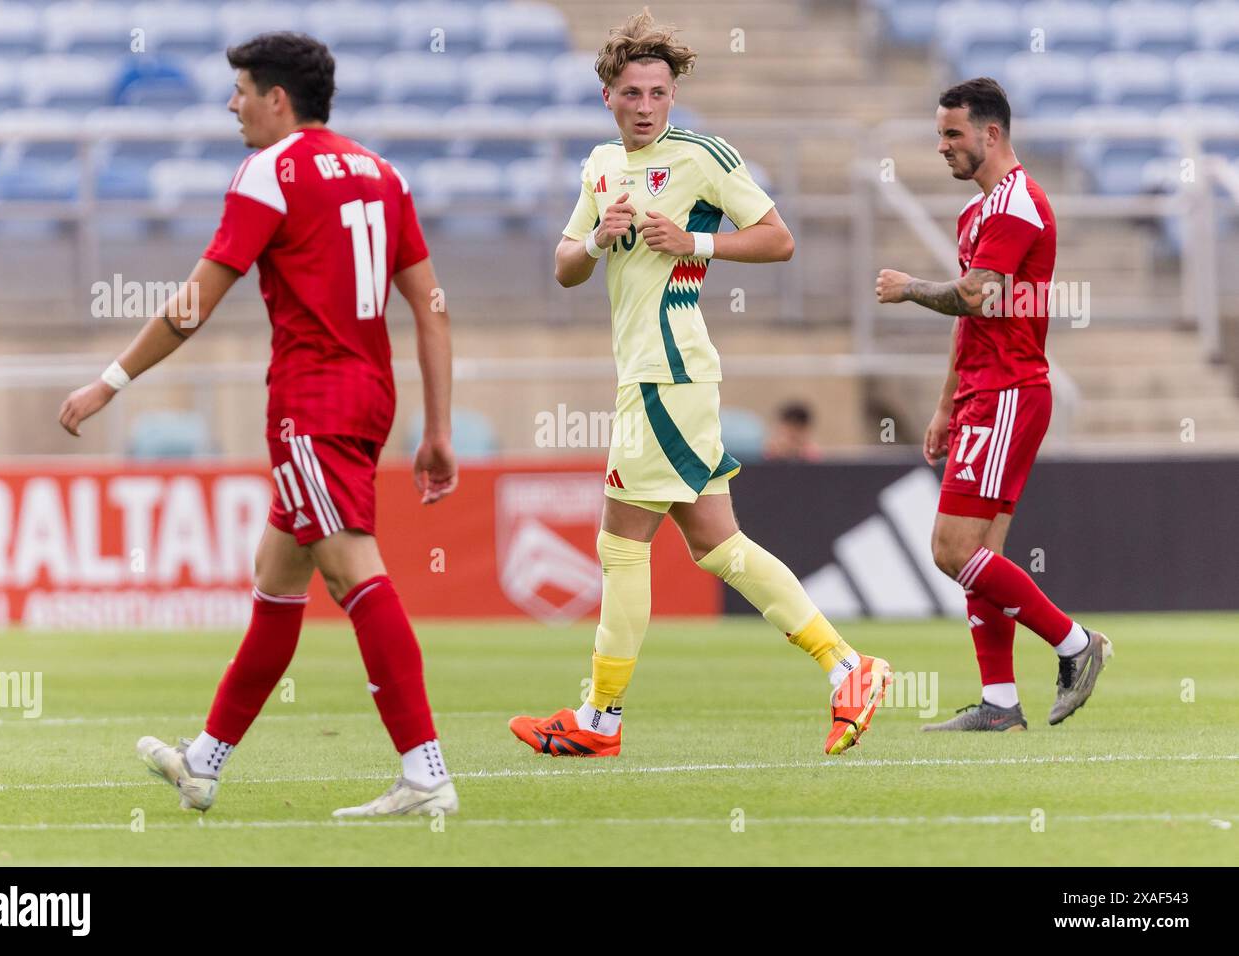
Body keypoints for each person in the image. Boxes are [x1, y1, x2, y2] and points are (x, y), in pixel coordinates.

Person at [58, 33, 461, 814]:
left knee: (353, 573)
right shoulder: (384, 174)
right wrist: (436, 426)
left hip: (311, 405)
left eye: (241, 90)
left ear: (278, 98)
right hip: (369, 398)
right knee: (278, 583)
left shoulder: (270, 172)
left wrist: (111, 380)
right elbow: (432, 307)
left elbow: (193, 306)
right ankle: (204, 762)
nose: (231, 105)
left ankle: (427, 774)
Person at [508, 10, 891, 759]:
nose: (645, 104)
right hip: (655, 374)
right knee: (718, 545)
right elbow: (563, 265)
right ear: (608, 97)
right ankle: (849, 667)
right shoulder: (599, 167)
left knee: (621, 544)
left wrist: (697, 241)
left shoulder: (703, 156)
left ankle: (601, 719)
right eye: (631, 92)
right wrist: (597, 237)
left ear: (673, 94)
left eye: (657, 91)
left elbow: (779, 238)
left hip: (666, 372)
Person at [875, 77, 1111, 732]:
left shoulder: (1017, 206)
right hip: (984, 391)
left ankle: (1075, 643)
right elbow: (969, 320)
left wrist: (908, 288)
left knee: (952, 550)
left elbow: (974, 296)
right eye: (940, 135)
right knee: (984, 560)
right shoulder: (975, 214)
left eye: (953, 135)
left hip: (1009, 392)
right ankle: (1001, 703)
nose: (943, 147)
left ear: (992, 134)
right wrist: (945, 405)